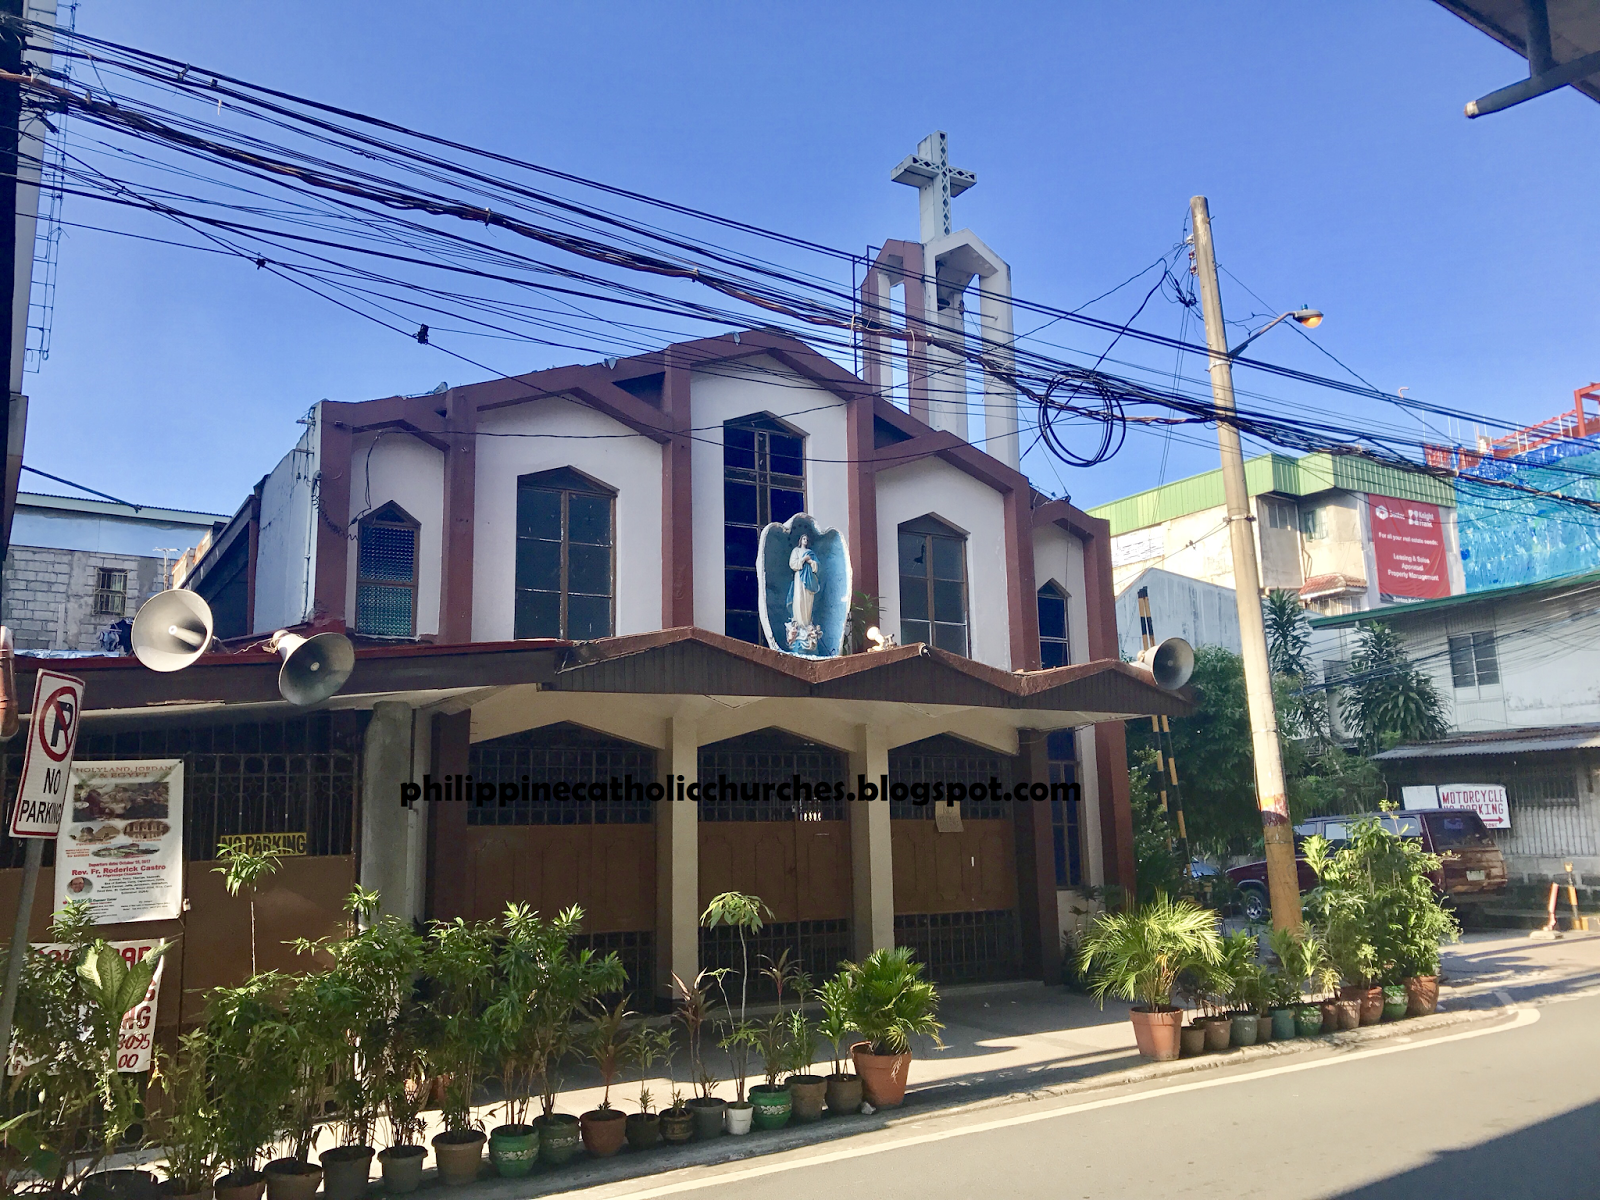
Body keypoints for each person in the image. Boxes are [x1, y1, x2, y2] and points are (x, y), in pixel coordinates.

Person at [789, 534, 820, 629]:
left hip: (809, 578)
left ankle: (807, 622)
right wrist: (803, 559)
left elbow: (817, 566)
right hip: (799, 577)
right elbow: (793, 564)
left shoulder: (810, 552)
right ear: (800, 540)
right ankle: (799, 622)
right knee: (799, 598)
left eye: (807, 539)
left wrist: (811, 562)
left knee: (808, 599)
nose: (805, 540)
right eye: (803, 538)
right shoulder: (796, 551)